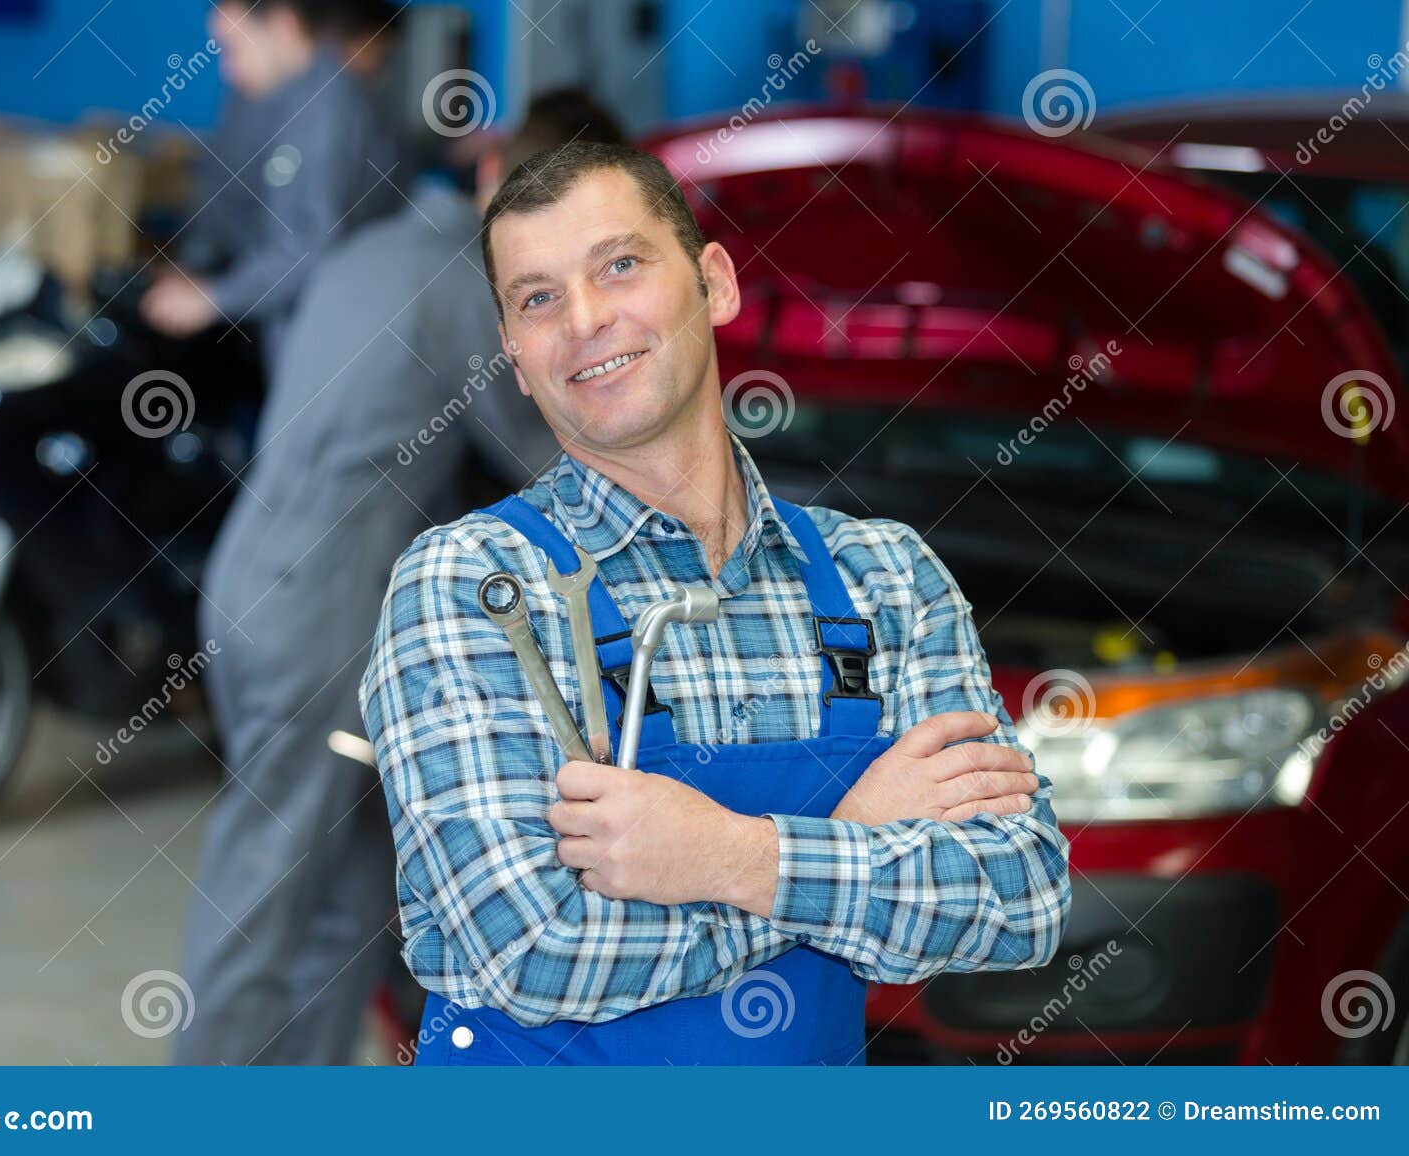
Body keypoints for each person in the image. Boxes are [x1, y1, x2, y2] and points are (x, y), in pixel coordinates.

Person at [359, 142, 1073, 1065]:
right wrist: (847, 844)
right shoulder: (473, 586)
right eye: (537, 298)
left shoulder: (887, 579)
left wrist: (730, 857)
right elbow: (530, 948)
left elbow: (1019, 897)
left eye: (619, 265)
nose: (583, 319)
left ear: (716, 284)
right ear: (517, 360)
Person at [173, 93, 627, 1066]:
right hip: (318, 605)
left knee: (346, 879)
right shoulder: (462, 282)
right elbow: (536, 454)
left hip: (261, 573)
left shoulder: (378, 246)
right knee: (269, 879)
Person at [142, 0, 401, 369]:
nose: (228, 68)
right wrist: (195, 266)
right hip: (286, 323)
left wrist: (214, 298)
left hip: (326, 339)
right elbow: (223, 193)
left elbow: (311, 244)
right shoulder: (273, 99)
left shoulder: (325, 111)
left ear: (283, 26)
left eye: (235, 46)